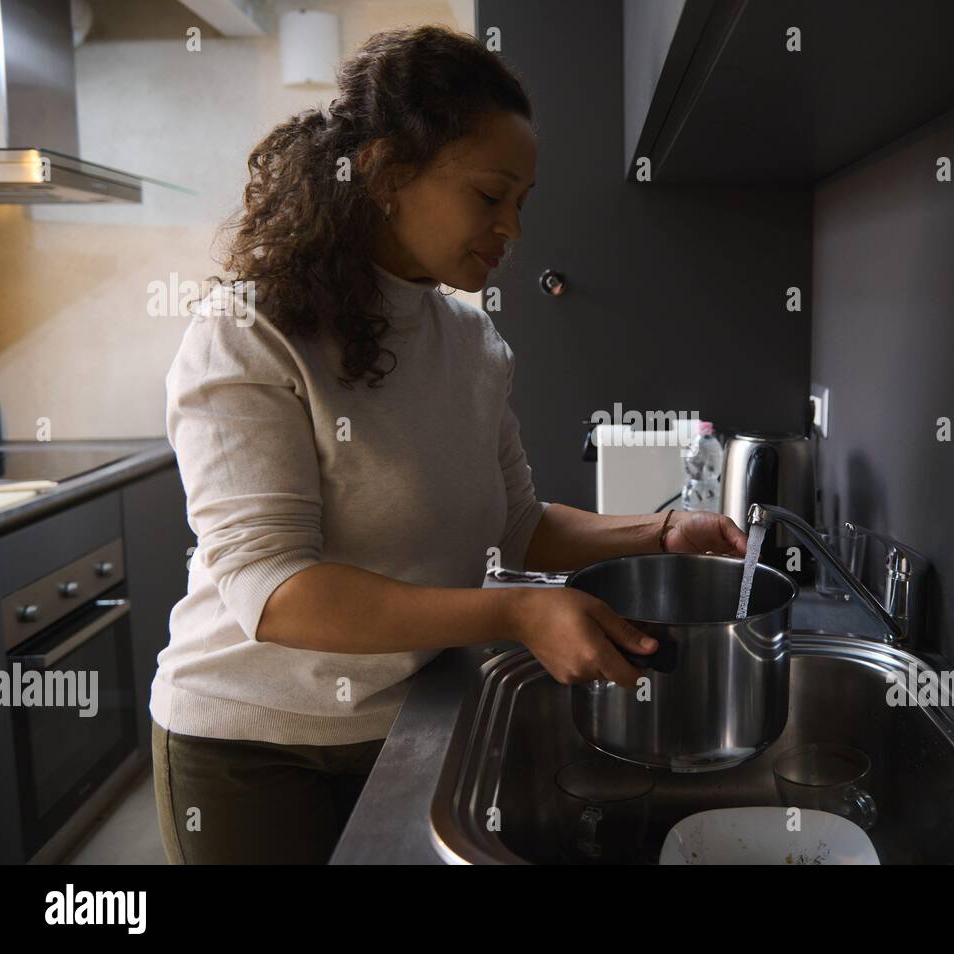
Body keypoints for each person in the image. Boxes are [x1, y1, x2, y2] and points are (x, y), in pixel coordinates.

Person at [150, 24, 747, 864]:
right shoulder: (250, 331)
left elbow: (518, 524)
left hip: (410, 720)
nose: (512, 228)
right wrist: (516, 608)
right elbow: (273, 591)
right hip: (249, 747)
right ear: (390, 173)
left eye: (521, 203)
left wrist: (661, 529)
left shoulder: (471, 341)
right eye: (490, 195)